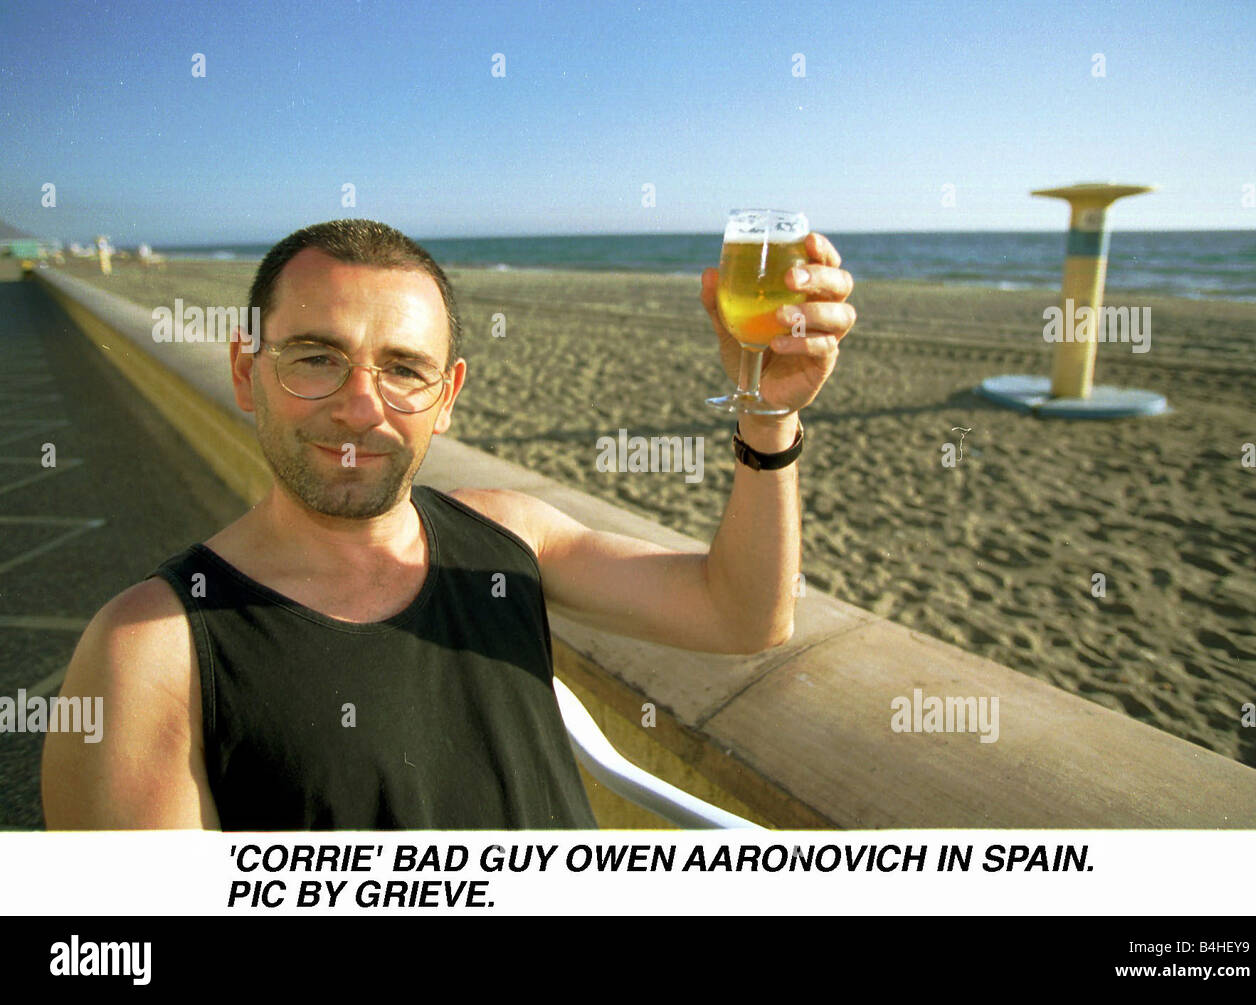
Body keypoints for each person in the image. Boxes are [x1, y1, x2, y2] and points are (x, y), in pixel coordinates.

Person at [41, 219, 856, 829]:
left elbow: (746, 614)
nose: (362, 407)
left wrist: (769, 415)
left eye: (403, 369)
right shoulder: (153, 648)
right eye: (317, 358)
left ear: (448, 396)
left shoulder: (508, 540)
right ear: (247, 373)